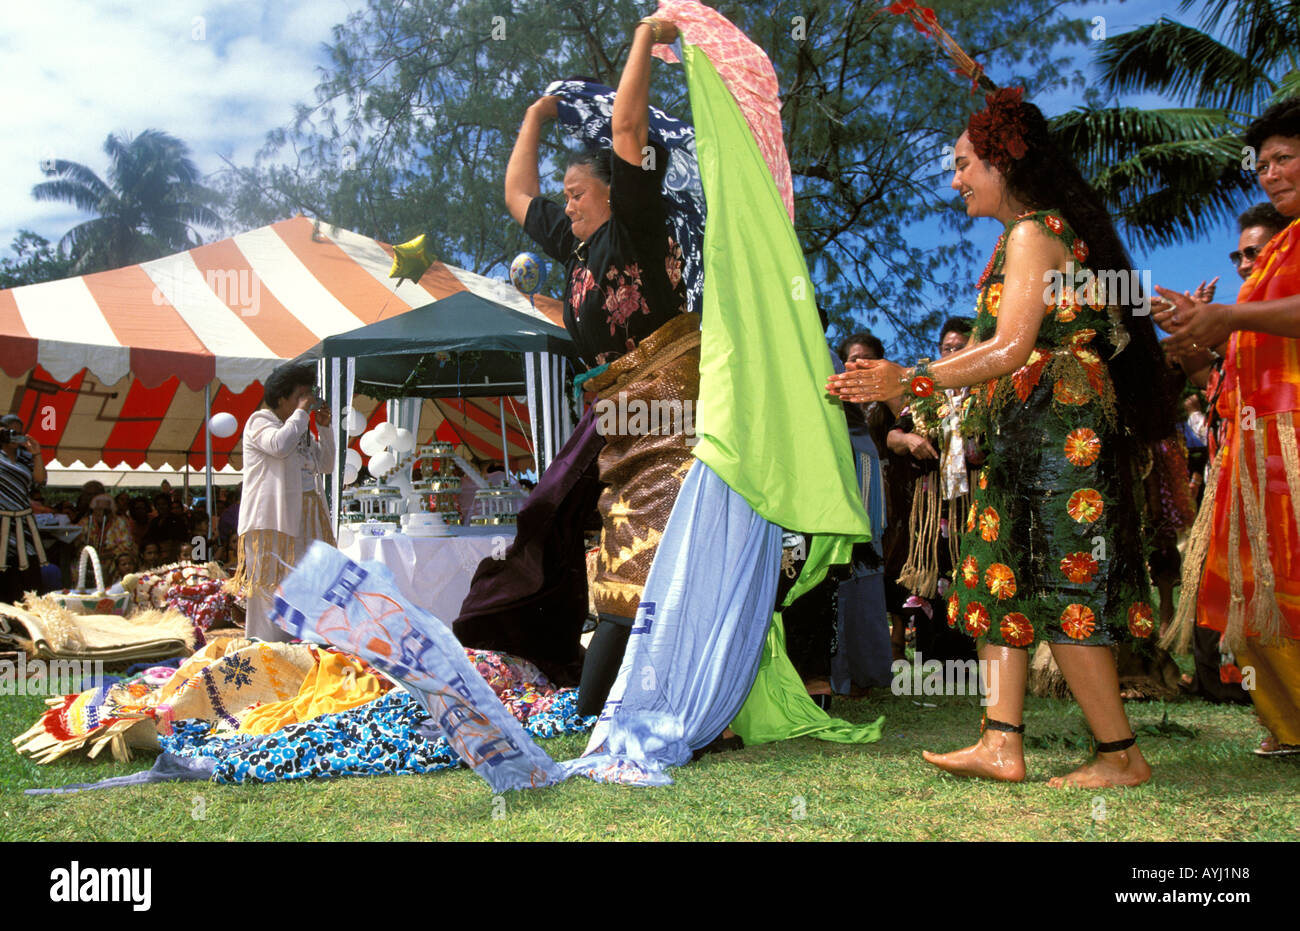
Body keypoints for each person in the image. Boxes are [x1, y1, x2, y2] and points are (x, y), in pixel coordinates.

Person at [829, 85, 1178, 787]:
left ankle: (1121, 754)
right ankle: (1000, 741)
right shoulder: (1030, 234)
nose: (955, 179)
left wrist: (911, 379)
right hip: (1024, 441)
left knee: (1058, 585)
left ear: (1002, 164)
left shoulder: (1033, 233)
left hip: (1058, 447)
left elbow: (1012, 347)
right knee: (1003, 581)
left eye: (963, 164)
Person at [500, 15, 695, 715]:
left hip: (669, 412)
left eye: (578, 193)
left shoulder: (636, 226)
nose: (568, 204)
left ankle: (606, 702)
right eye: (569, 197)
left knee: (641, 555)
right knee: (608, 543)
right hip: (617, 421)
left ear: (614, 190)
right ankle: (603, 692)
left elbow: (625, 132)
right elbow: (517, 194)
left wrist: (643, 37)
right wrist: (534, 113)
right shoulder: (579, 250)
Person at [1156, 97, 1300, 756]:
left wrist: (1231, 321)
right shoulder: (1280, 249)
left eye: (1285, 158)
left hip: (1290, 443)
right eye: (1263, 163)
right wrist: (1200, 324)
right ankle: (1291, 721)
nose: (1269, 173)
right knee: (1253, 588)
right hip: (1258, 449)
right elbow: (1248, 341)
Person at [230, 361, 335, 642]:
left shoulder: (298, 427)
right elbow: (279, 445)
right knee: (271, 587)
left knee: (304, 583)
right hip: (272, 521)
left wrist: (324, 429)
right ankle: (267, 650)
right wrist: (302, 413)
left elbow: (325, 465)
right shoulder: (259, 421)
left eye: (308, 396)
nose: (307, 402)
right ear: (281, 397)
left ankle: (301, 646)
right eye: (301, 396)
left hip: (306, 515)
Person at [0, 418, 48, 603]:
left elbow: (40, 480)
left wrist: (36, 454)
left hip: (22, 520)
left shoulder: (26, 457)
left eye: (18, 432)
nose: (14, 435)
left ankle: (31, 612)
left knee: (28, 568)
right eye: (9, 431)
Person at [78, 493, 137, 564]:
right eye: (98, 509)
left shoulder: (120, 522)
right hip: (89, 558)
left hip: (113, 560)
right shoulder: (85, 522)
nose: (102, 513)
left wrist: (106, 555)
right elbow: (78, 543)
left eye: (106, 511)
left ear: (112, 511)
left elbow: (126, 545)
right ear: (93, 510)